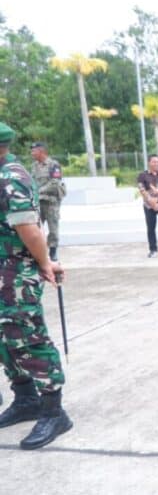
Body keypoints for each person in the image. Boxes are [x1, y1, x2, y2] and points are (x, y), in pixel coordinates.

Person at [0, 122, 72, 450]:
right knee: (5, 340)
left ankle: (53, 410)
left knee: (27, 338)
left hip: (14, 274)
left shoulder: (11, 176)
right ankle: (25, 397)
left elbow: (29, 228)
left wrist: (45, 263)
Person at [29, 142, 65, 262]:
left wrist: (39, 191)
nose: (32, 153)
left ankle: (53, 251)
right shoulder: (34, 166)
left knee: (53, 227)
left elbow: (55, 182)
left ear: (41, 151)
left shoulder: (53, 164)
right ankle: (39, 251)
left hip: (51, 201)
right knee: (37, 227)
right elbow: (31, 181)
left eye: (34, 151)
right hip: (38, 202)